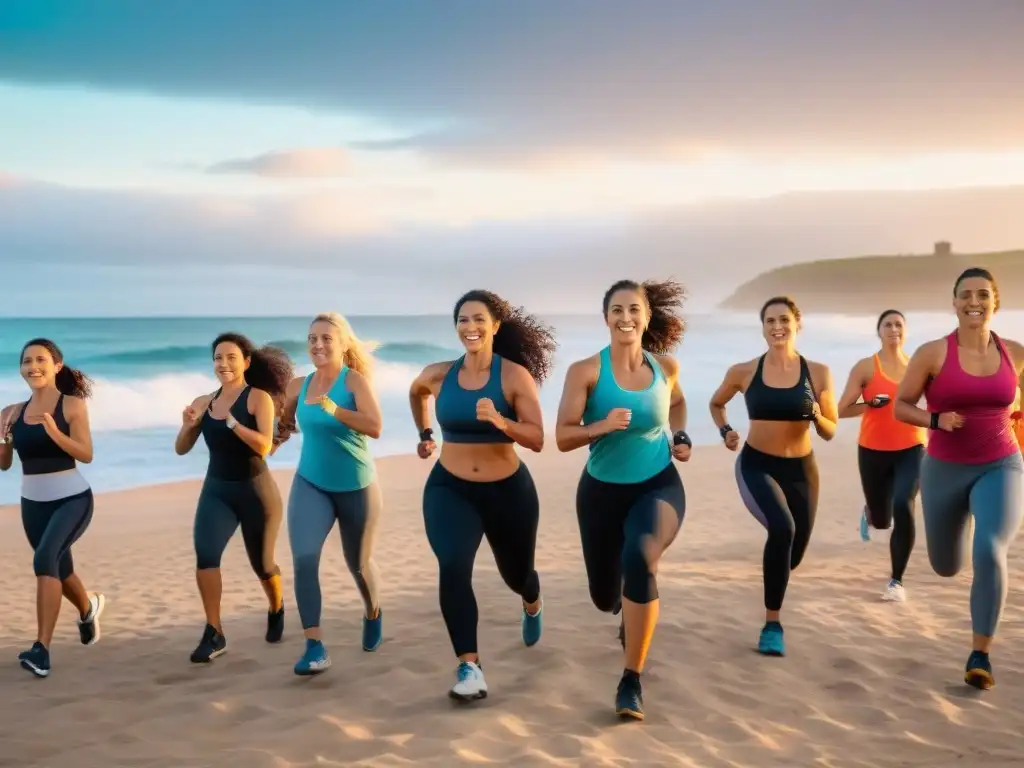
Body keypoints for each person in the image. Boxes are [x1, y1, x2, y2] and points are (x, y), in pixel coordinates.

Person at [408, 289, 556, 702]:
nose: (470, 328)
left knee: (517, 574)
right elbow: (417, 392)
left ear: (495, 326)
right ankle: (469, 666)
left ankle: (531, 600)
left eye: (478, 320)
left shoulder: (513, 377)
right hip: (449, 488)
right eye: (462, 321)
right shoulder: (438, 374)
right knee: (453, 566)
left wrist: (501, 420)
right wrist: (425, 434)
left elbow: (537, 438)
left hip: (508, 491)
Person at [555, 278, 690, 721]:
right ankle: (624, 609)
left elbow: (678, 404)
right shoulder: (586, 372)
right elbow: (563, 436)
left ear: (647, 317)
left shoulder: (665, 367)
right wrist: (601, 426)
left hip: (658, 483)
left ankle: (630, 679)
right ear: (606, 318)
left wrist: (681, 435)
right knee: (602, 595)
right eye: (617, 310)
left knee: (640, 558)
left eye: (634, 310)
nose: (626, 318)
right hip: (600, 491)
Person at [894, 267, 1024, 690]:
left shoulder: (1016, 354)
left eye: (983, 293)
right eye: (966, 294)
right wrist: (935, 418)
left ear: (995, 302)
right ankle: (967, 524)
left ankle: (980, 653)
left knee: (990, 549)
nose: (974, 301)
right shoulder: (933, 354)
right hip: (944, 470)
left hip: (1001, 464)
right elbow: (901, 407)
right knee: (947, 565)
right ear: (954, 303)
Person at [709, 296, 838, 657]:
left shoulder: (819, 373)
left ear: (797, 324)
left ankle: (775, 579)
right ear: (763, 327)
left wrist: (815, 413)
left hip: (802, 470)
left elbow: (829, 431)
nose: (777, 327)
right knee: (782, 529)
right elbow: (716, 403)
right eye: (770, 321)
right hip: (757, 465)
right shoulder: (745, 371)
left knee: (791, 555)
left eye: (784, 319)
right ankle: (772, 624)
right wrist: (726, 431)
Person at [272, 312, 384, 676]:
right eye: (311, 339)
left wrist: (336, 411)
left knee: (359, 565)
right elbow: (284, 426)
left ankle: (373, 611)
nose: (317, 345)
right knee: (304, 558)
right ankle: (314, 646)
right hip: (311, 483)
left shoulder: (355, 383)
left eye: (325, 338)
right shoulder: (298, 386)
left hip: (357, 486)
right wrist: (266, 445)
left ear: (343, 344)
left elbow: (375, 426)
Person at [175, 332, 294, 663]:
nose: (223, 364)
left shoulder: (258, 399)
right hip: (217, 491)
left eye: (230, 357)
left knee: (263, 564)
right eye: (217, 358)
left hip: (256, 492)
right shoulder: (203, 402)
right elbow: (181, 449)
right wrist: (187, 426)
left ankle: (277, 606)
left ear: (246, 362)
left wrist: (232, 424)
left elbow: (264, 446)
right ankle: (214, 632)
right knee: (206, 555)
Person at [0, 339, 106, 677]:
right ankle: (89, 607)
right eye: (27, 360)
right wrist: (3, 439)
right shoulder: (10, 413)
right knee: (60, 570)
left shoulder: (72, 406)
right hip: (33, 503)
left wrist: (53, 431)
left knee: (44, 560)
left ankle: (41, 649)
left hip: (72, 499)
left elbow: (86, 453)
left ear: (57, 366)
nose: (33, 365)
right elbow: (4, 465)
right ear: (21, 369)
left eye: (41, 359)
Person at [837, 309, 927, 601]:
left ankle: (896, 582)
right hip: (873, 451)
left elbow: (936, 403)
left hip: (912, 448)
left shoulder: (918, 366)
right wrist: (870, 404)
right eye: (887, 324)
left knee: (904, 503)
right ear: (879, 331)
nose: (893, 329)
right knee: (882, 520)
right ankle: (872, 512)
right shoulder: (866, 367)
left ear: (906, 331)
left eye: (899, 324)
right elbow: (842, 409)